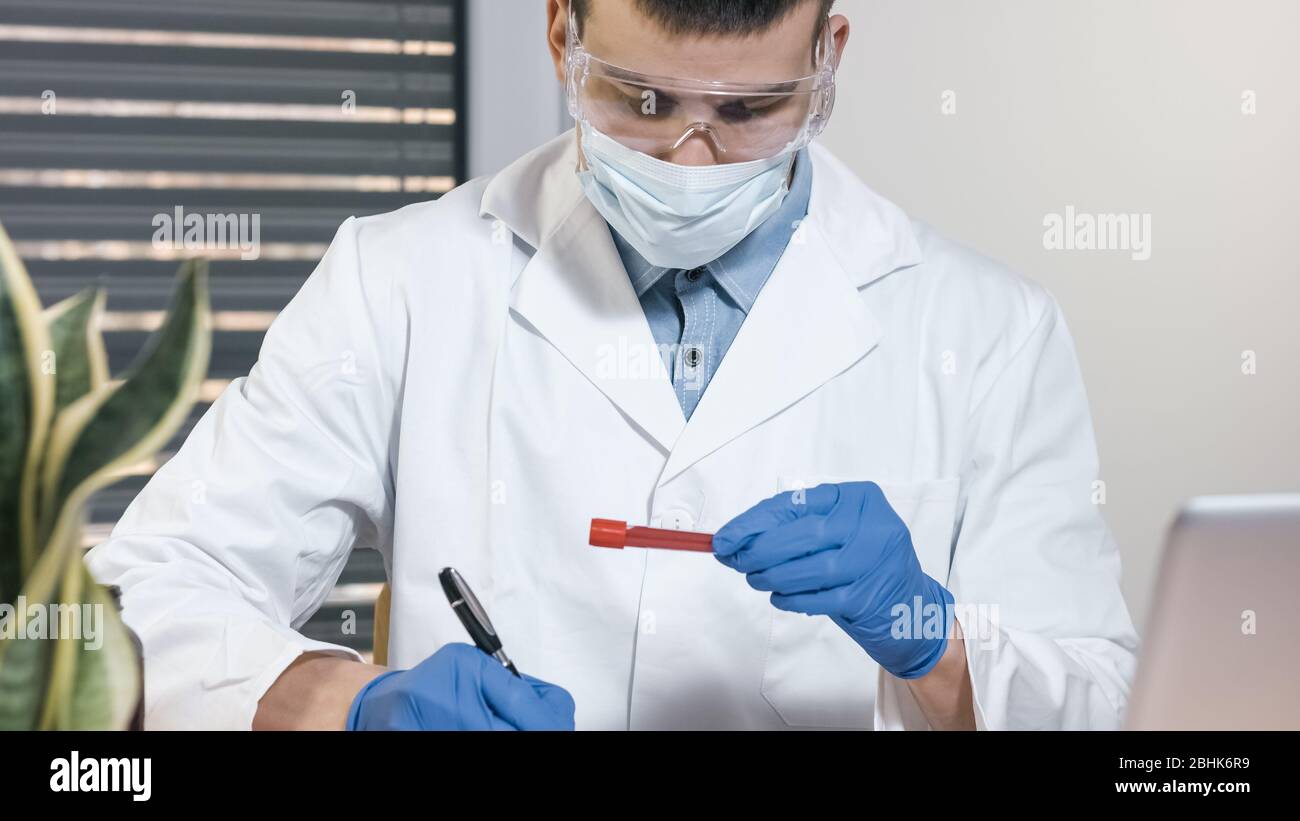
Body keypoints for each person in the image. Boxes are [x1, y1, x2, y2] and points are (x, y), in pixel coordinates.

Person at [86, 0, 1139, 730]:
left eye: (749, 111)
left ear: (829, 60)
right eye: (641, 101)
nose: (691, 156)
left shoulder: (988, 329)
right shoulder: (399, 279)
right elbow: (143, 597)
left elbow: (1104, 703)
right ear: (560, 36)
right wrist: (343, 700)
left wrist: (929, 636)